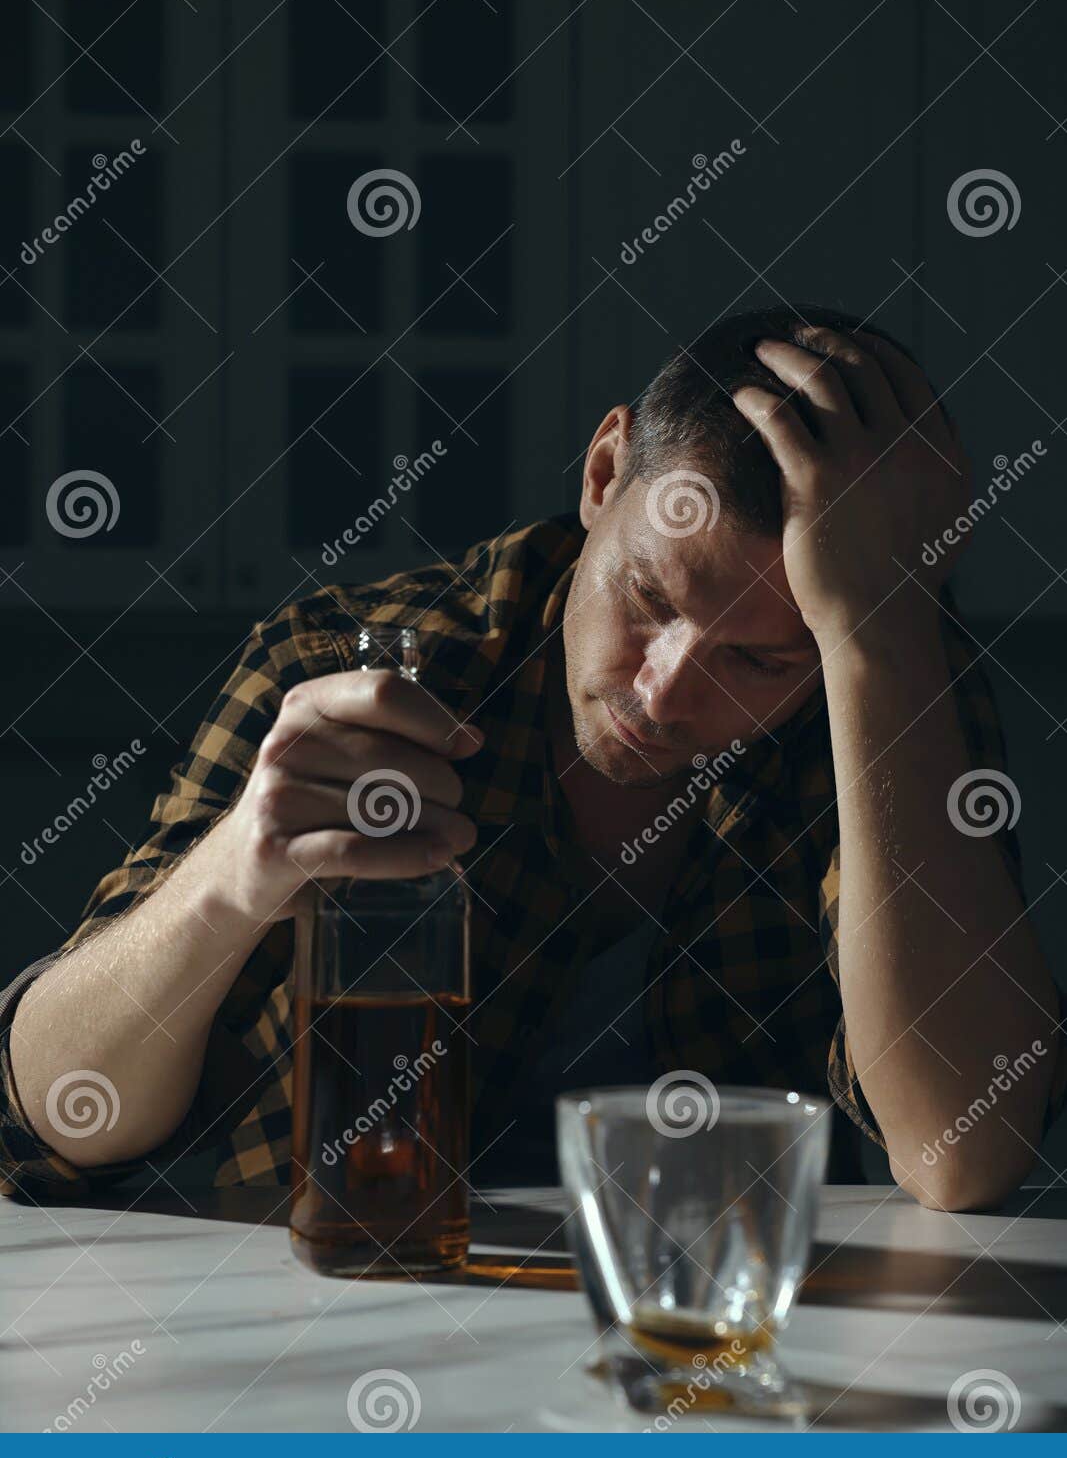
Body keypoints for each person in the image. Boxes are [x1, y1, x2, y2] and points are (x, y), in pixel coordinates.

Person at [1, 306, 1062, 1211]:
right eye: (646, 597)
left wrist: (878, 636)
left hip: (690, 1334)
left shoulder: (884, 680)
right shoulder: (349, 668)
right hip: (307, 1313)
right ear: (602, 474)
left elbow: (961, 1153)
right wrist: (233, 873)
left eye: (758, 659)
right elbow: (51, 1118)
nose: (662, 692)